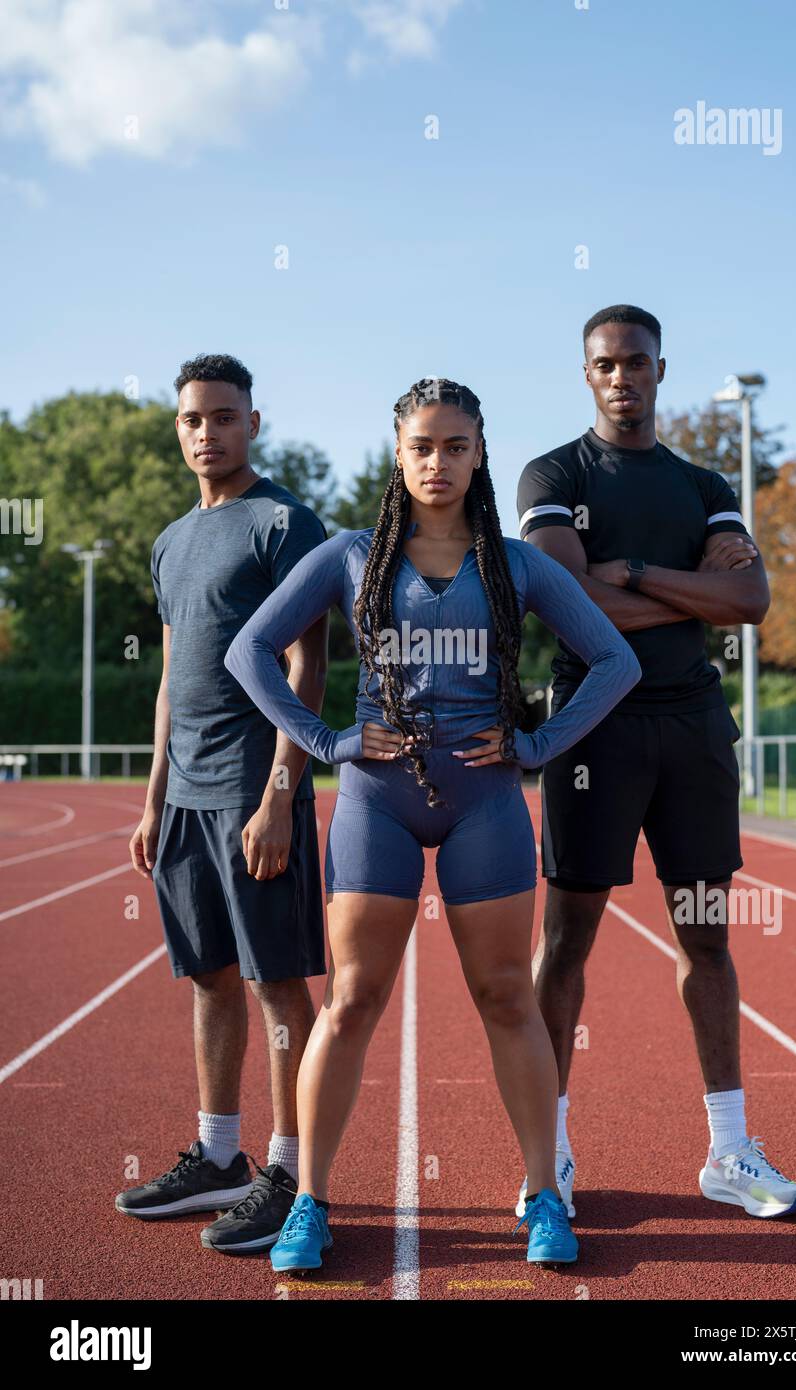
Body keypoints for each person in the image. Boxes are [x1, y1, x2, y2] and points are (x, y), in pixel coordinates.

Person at [225, 376, 641, 1271]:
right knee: (350, 1000)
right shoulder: (347, 556)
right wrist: (324, 738)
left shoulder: (519, 564)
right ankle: (310, 1203)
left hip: (485, 801)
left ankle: (542, 1193)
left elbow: (615, 660)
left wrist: (539, 744)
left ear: (480, 452)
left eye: (456, 445)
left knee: (505, 995)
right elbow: (247, 649)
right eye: (422, 445)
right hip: (378, 798)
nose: (438, 461)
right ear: (398, 454)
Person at [515, 305, 796, 1221]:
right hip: (593, 733)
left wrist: (630, 574)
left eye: (635, 362)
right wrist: (693, 594)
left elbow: (753, 598)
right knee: (566, 944)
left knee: (707, 937)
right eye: (604, 364)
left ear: (660, 369)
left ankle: (728, 1152)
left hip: (692, 734)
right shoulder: (553, 473)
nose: (620, 377)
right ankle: (548, 1155)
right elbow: (562, 603)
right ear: (587, 374)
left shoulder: (703, 482)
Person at [116, 354, 330, 1254]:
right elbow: (171, 676)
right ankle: (219, 1156)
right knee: (208, 979)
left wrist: (282, 794)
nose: (209, 432)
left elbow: (307, 665)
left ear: (253, 422)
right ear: (179, 429)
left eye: (224, 417)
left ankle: (291, 1172)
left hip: (255, 790)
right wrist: (153, 795)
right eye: (193, 420)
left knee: (278, 984)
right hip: (188, 798)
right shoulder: (170, 541)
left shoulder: (285, 524)